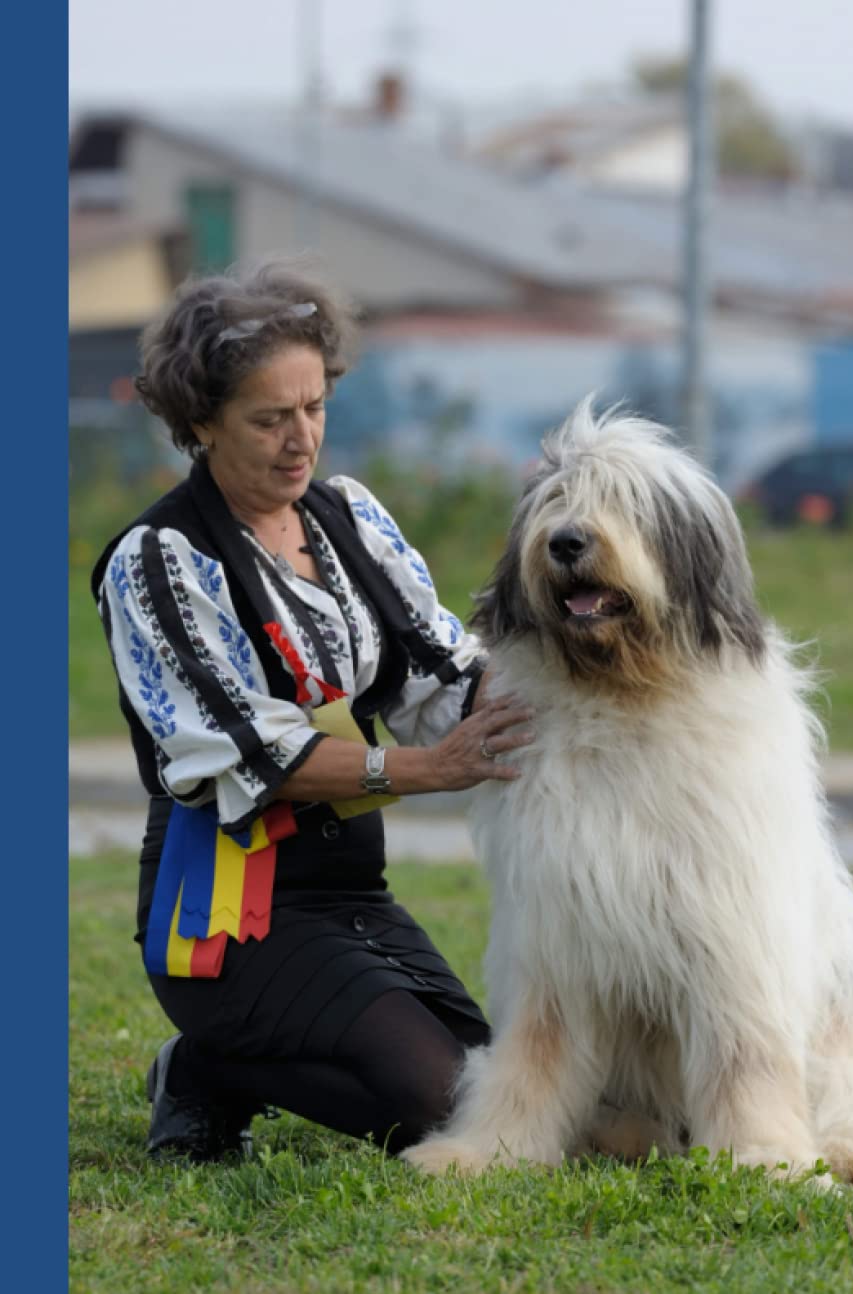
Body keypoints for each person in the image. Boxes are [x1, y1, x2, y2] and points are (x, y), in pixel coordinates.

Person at [91, 260, 534, 1161]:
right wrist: (422, 771)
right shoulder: (159, 560)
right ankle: (206, 1066)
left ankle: (228, 1065)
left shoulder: (347, 518)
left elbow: (448, 677)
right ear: (201, 422)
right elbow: (249, 755)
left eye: (315, 408)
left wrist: (588, 684)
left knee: (495, 1087)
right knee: (448, 1114)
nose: (302, 441)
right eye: (269, 419)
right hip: (228, 912)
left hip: (352, 892)